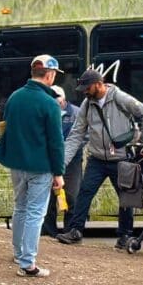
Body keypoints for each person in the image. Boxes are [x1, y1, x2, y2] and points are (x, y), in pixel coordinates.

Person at [59, 67, 143, 249]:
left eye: (87, 88)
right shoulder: (87, 105)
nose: (85, 93)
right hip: (96, 158)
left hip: (120, 158)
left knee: (125, 198)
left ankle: (124, 236)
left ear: (99, 84)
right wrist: (62, 162)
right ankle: (75, 231)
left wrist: (142, 144)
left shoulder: (120, 98)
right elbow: (76, 134)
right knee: (84, 193)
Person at [0, 54, 65, 278]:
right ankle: (28, 262)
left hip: (16, 164)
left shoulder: (15, 97)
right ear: (50, 75)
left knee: (20, 207)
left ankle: (18, 252)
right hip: (40, 166)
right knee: (35, 212)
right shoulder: (49, 103)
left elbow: (5, 127)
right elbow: (56, 142)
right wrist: (59, 172)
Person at [44, 84, 82, 239]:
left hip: (72, 160)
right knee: (48, 197)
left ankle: (69, 230)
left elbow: (83, 136)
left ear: (64, 97)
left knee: (72, 195)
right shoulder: (46, 111)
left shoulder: (77, 113)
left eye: (57, 97)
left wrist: (67, 151)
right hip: (48, 158)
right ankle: (48, 232)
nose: (55, 100)